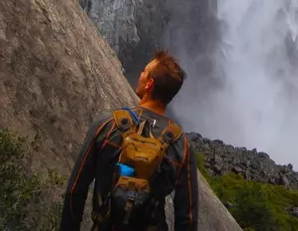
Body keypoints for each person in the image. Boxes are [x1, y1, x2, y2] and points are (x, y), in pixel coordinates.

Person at [59, 51, 198, 231]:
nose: (139, 74)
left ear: (149, 84)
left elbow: (75, 190)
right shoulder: (182, 146)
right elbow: (188, 218)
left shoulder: (107, 126)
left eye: (144, 72)